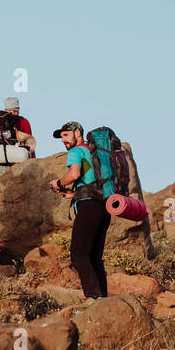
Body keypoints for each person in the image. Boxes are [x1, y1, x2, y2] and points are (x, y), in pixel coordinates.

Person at [48, 121, 111, 298]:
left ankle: (92, 297)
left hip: (89, 207)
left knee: (78, 256)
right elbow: (90, 179)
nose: (63, 140)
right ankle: (102, 298)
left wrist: (58, 183)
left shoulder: (76, 152)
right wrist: (74, 194)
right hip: (103, 206)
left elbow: (74, 174)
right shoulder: (92, 152)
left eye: (66, 135)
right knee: (94, 257)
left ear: (77, 133)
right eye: (61, 137)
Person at [0, 97, 36, 177]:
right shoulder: (23, 122)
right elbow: (30, 143)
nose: (13, 113)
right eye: (10, 111)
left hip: (0, 161)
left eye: (15, 111)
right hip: (15, 161)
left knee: (2, 186)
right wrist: (33, 161)